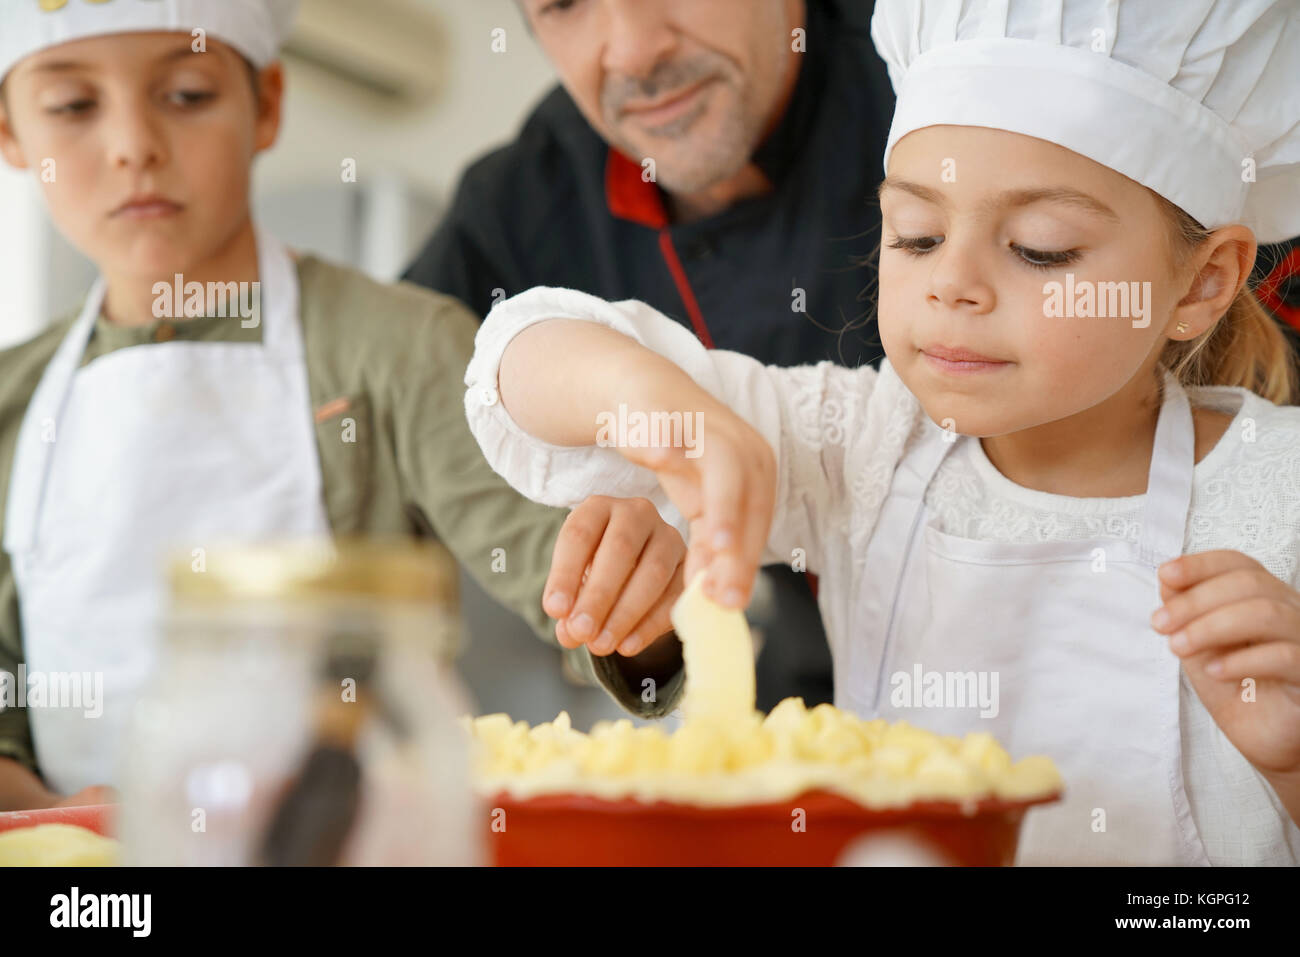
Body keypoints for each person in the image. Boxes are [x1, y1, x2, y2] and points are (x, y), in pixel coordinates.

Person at [462, 0, 1300, 865]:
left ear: (1202, 283)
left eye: (1040, 248)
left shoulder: (1283, 496)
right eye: (918, 234)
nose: (954, 284)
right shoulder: (864, 443)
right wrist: (682, 421)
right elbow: (515, 360)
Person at [0, 0, 681, 811]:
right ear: (11, 135)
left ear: (268, 106)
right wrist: (70, 821)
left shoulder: (398, 346)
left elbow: (580, 593)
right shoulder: (14, 402)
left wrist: (641, 601)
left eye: (186, 94)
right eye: (73, 106)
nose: (133, 146)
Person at [405, 0, 899, 712]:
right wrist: (632, 602)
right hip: (807, 719)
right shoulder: (526, 200)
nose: (634, 51)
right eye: (565, 2)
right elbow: (466, 382)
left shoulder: (929, 68)